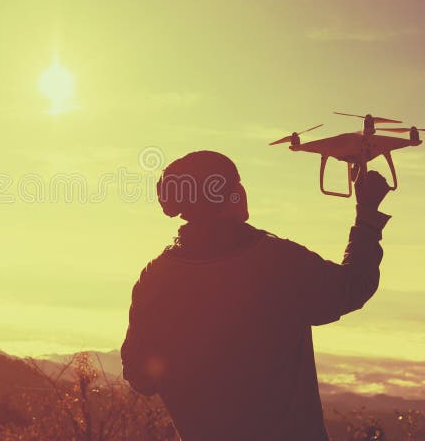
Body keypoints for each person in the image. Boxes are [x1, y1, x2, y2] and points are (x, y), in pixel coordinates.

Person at [121, 150, 390, 441]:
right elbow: (351, 287)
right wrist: (366, 218)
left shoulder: (156, 278)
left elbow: (141, 376)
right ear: (233, 195)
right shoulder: (275, 261)